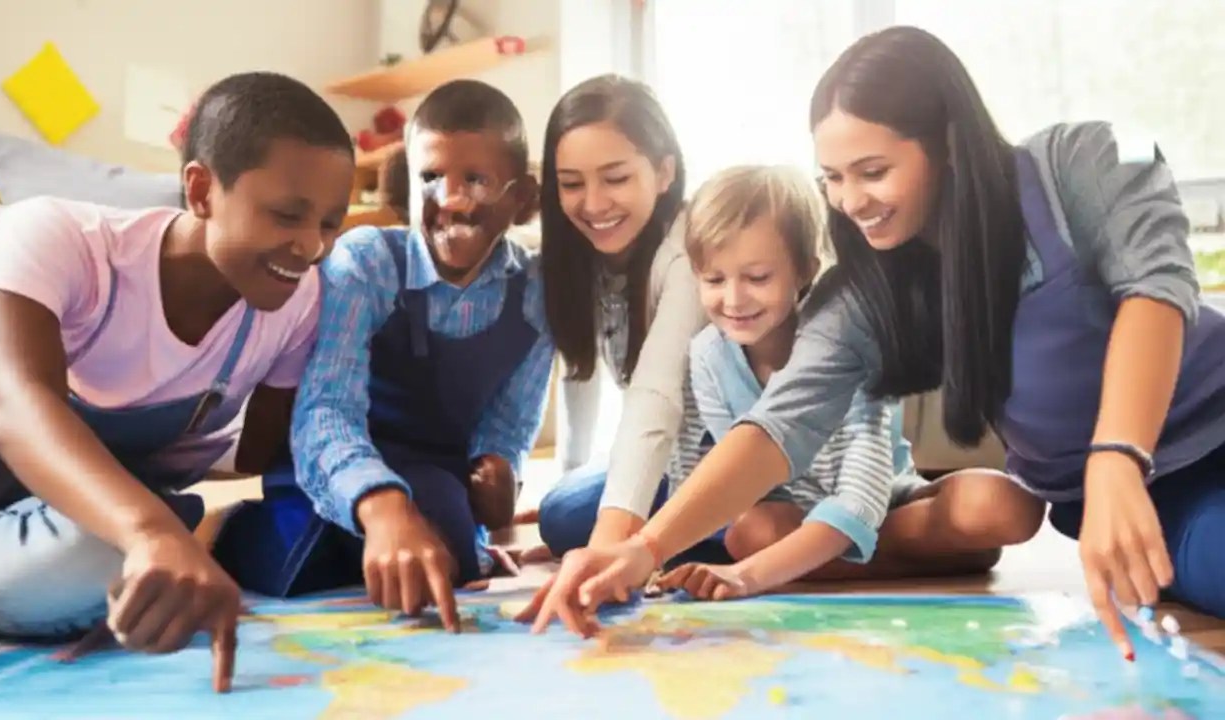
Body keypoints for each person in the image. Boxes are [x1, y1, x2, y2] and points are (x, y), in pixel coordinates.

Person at [523, 25, 1225, 661]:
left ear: (945, 142)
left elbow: (1157, 287)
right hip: (1155, 498)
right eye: (832, 178)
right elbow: (778, 427)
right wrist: (643, 548)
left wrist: (1115, 458)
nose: (851, 200)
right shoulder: (868, 290)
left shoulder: (1083, 158)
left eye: (873, 171)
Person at [0, 71, 355, 691]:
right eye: (287, 214)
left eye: (329, 223)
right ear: (201, 189)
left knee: (97, 569)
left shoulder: (297, 305)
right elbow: (13, 406)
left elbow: (263, 453)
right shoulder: (55, 235)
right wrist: (153, 530)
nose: (311, 247)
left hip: (76, 514)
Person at [212, 79, 551, 631]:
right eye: (431, 179)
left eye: (477, 180)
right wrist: (382, 503)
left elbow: (510, 422)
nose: (452, 199)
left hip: (438, 477)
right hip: (336, 463)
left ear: (519, 196)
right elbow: (325, 409)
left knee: (451, 551)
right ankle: (232, 529)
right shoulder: (366, 261)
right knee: (304, 556)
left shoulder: (536, 292)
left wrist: (502, 469)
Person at [659, 164, 1041, 601]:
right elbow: (712, 475)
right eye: (713, 279)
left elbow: (865, 490)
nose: (733, 299)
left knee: (1005, 505)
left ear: (805, 269)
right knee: (753, 533)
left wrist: (749, 575)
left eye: (757, 278)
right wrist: (660, 552)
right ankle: (910, 558)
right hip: (790, 519)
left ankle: (818, 562)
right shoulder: (707, 355)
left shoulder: (850, 333)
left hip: (886, 500)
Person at [535, 74, 716, 563]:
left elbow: (656, 396)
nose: (593, 204)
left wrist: (606, 548)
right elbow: (580, 376)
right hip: (676, 466)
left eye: (616, 179)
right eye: (571, 184)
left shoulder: (690, 250)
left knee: (581, 519)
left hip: (733, 464)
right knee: (560, 510)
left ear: (663, 172)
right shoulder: (584, 257)